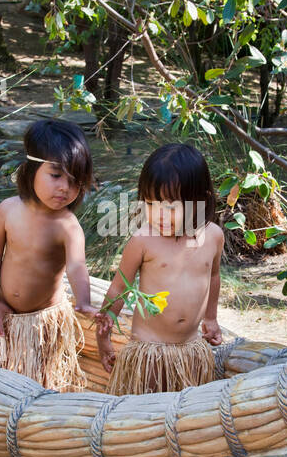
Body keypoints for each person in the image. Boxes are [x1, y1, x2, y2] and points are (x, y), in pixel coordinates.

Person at [0, 118, 99, 391]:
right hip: (3, 314)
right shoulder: (8, 210)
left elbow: (77, 267)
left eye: (74, 181)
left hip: (41, 324)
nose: (65, 187)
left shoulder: (67, 226)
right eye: (56, 175)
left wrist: (84, 301)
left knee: (37, 386)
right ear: (30, 169)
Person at [96, 143, 225, 394]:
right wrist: (103, 336)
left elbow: (213, 276)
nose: (158, 215)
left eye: (170, 206)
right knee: (147, 416)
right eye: (150, 204)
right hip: (150, 353)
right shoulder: (143, 241)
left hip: (190, 350)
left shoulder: (213, 237)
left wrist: (211, 317)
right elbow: (118, 289)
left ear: (200, 199)